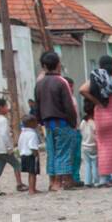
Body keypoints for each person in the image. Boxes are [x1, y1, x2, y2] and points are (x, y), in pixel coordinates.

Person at [81, 54, 112, 186]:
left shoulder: (97, 78)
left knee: (104, 148)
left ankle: (104, 178)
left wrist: (98, 102)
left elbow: (82, 89)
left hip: (103, 117)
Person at [34, 50, 79, 191]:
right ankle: (60, 182)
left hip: (47, 123)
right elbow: (68, 105)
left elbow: (37, 104)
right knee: (63, 152)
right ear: (58, 64)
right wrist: (73, 122)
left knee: (51, 152)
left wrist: (40, 121)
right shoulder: (61, 82)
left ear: (43, 66)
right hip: (63, 122)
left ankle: (52, 181)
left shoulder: (39, 84)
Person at [0, 97, 25, 196]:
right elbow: (4, 135)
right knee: (17, 164)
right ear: (1, 107)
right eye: (6, 106)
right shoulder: (3, 120)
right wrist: (9, 148)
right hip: (3, 148)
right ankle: (19, 184)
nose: (8, 108)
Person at [18, 114, 42, 194]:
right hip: (31, 155)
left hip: (23, 155)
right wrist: (36, 155)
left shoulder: (22, 133)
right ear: (31, 123)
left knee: (30, 173)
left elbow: (19, 144)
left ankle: (32, 188)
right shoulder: (32, 134)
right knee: (33, 173)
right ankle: (32, 189)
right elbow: (33, 146)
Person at [80, 101, 99, 187]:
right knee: (95, 164)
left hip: (84, 145)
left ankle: (87, 181)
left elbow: (80, 131)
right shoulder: (94, 123)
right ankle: (96, 181)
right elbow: (96, 133)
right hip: (93, 146)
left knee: (87, 164)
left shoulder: (83, 122)